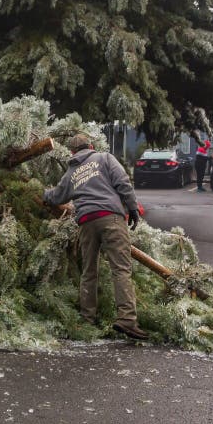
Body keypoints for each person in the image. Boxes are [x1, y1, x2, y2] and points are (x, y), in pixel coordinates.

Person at [42, 134, 148, 340]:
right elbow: (123, 182)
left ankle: (87, 318)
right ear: (91, 146)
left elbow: (57, 196)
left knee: (88, 271)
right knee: (121, 269)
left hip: (86, 223)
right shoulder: (105, 158)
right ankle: (126, 319)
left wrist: (42, 193)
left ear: (72, 153)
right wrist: (133, 209)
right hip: (111, 218)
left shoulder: (71, 172)